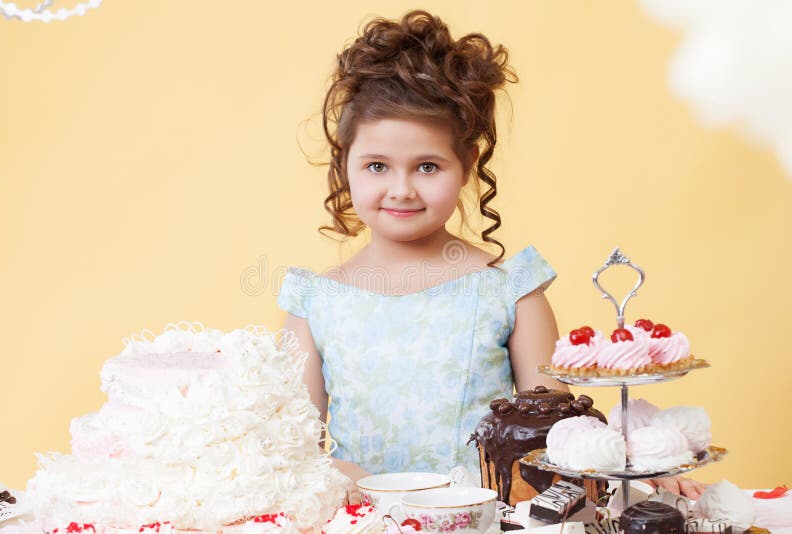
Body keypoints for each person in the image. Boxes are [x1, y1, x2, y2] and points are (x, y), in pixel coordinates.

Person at [277, 9, 705, 501]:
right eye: (376, 165)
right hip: (362, 519)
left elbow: (560, 439)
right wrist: (335, 475)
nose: (401, 189)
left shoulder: (510, 290)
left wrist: (641, 470)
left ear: (466, 167)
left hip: (491, 520)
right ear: (344, 165)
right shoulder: (313, 303)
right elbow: (291, 449)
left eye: (427, 166)